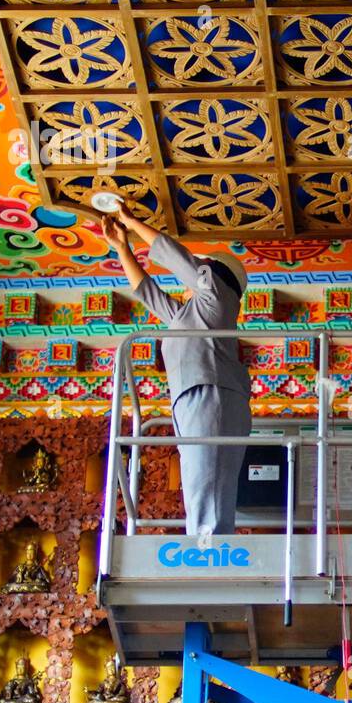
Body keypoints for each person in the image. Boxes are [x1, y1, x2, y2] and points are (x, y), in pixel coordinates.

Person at [100, 211, 252, 537]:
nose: (195, 272)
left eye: (202, 268)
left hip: (212, 394)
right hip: (197, 398)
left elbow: (175, 256)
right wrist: (122, 247)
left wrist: (130, 219)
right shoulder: (187, 314)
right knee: (202, 480)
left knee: (206, 480)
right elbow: (146, 291)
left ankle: (206, 552)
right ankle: (206, 547)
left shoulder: (216, 298)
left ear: (212, 274)